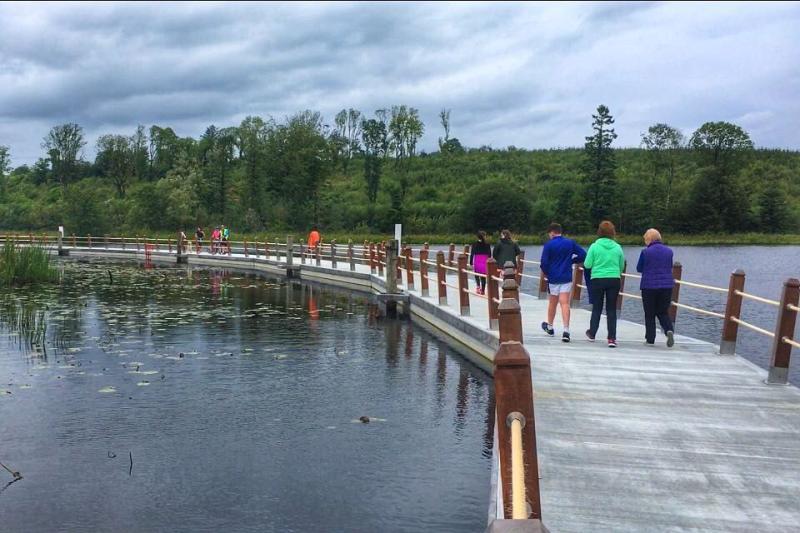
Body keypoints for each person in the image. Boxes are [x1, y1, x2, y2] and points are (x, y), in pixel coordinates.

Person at [540, 223, 586, 343]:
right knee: (564, 303)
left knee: (552, 302)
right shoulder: (570, 243)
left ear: (552, 233)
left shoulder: (549, 245)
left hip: (553, 277)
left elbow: (544, 262)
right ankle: (566, 330)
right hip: (566, 276)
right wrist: (572, 260)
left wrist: (546, 272)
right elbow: (583, 255)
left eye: (549, 234)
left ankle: (550, 327)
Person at [584, 220, 625, 348]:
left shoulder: (594, 246)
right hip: (614, 279)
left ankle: (592, 333)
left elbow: (587, 264)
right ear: (612, 232)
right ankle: (612, 338)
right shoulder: (617, 247)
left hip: (598, 279)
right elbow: (621, 265)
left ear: (599, 232)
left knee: (597, 307)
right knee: (611, 309)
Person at [636, 228, 676, 347]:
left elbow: (639, 268)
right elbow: (669, 266)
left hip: (649, 286)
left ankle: (650, 339)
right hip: (667, 286)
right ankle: (669, 330)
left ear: (649, 239)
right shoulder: (669, 251)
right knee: (663, 311)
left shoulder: (645, 252)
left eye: (645, 239)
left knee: (649, 313)